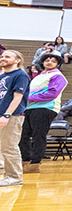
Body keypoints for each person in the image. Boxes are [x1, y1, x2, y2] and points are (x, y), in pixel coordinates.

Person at [19, 52, 67, 173]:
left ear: (58, 64)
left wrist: (28, 98)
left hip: (45, 108)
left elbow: (51, 94)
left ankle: (35, 163)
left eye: (53, 61)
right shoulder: (38, 76)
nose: (49, 62)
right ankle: (25, 160)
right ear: (42, 62)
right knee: (23, 136)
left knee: (38, 136)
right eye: (47, 60)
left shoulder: (58, 76)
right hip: (29, 108)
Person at [0, 50, 29, 187]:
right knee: (3, 147)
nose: (3, 58)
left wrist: (6, 115)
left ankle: (14, 177)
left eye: (7, 56)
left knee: (10, 146)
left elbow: (18, 98)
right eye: (2, 56)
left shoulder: (20, 75)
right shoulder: (3, 76)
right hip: (2, 115)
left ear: (17, 60)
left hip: (12, 116)